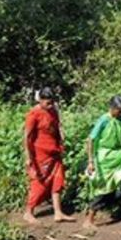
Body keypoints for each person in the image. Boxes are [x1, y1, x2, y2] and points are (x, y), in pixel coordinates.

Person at [83, 95, 121, 229]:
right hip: (106, 160)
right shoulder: (103, 120)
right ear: (112, 108)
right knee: (104, 191)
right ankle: (89, 219)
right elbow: (91, 139)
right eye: (119, 110)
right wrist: (91, 161)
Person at [23, 87, 75, 224]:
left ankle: (58, 212)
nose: (50, 105)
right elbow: (27, 137)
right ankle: (29, 212)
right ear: (40, 100)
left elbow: (57, 126)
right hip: (40, 154)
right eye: (47, 103)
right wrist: (28, 157)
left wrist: (61, 137)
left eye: (51, 102)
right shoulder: (33, 114)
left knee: (57, 180)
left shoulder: (53, 110)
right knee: (40, 182)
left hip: (55, 151)